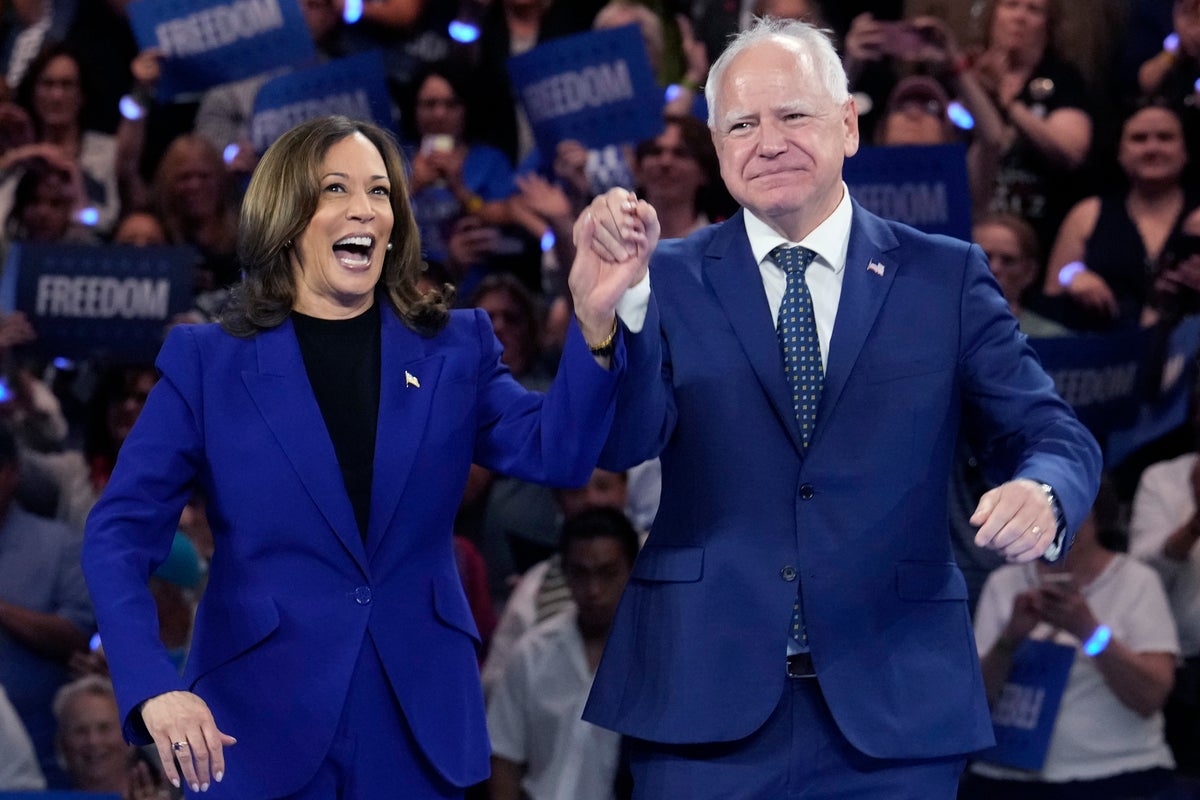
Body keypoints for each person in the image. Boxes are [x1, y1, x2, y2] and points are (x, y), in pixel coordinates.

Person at [578, 18, 1101, 798]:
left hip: (895, 706)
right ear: (717, 147)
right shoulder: (665, 277)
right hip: (703, 701)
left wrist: (1044, 489)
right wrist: (604, 321)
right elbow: (621, 445)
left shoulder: (945, 277)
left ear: (849, 125)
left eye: (793, 115)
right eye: (742, 125)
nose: (769, 142)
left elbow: (1052, 432)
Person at [81, 114, 646, 799]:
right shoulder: (210, 362)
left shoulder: (454, 348)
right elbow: (118, 534)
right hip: (255, 726)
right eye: (337, 189)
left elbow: (560, 452)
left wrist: (593, 319)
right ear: (286, 217)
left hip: (417, 724)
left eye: (379, 191)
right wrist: (151, 687)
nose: (365, 209)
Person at [964, 479, 1177, 798]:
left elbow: (1151, 697)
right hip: (1006, 774)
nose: (1056, 522)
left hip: (1118, 772)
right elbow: (975, 703)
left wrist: (1089, 633)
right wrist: (1009, 638)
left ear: (1096, 514)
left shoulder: (1137, 581)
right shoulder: (1003, 583)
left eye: (1069, 509)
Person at [486, 506, 638, 800]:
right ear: (565, 573)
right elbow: (504, 757)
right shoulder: (533, 651)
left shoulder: (653, 659)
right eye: (580, 574)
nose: (594, 590)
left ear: (632, 571)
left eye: (608, 573)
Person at [1043, 101, 1200, 331]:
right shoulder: (1087, 213)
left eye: (1165, 138)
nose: (1152, 148)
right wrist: (1073, 276)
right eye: (1139, 139)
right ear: (1120, 152)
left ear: (1185, 150)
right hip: (1102, 347)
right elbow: (1051, 294)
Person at [0, 423, 95, 787]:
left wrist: (3, 610)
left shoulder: (59, 545)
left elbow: (79, 635)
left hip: (46, 757)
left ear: (11, 472)